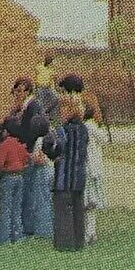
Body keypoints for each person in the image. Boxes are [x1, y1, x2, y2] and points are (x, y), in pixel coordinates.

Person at [5, 77, 54, 239]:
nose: (17, 95)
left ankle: (33, 227)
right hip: (28, 151)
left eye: (20, 91)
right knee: (30, 191)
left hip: (31, 151)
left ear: (27, 91)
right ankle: (30, 225)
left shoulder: (33, 107)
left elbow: (29, 131)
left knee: (32, 191)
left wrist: (11, 124)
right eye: (16, 91)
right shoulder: (24, 108)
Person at [42, 94, 90, 251]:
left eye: (62, 109)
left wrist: (50, 146)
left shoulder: (61, 131)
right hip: (79, 177)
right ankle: (78, 242)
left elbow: (52, 149)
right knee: (78, 212)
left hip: (63, 178)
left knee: (63, 212)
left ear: (69, 110)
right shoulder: (84, 129)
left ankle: (64, 244)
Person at [0, 121, 30, 244]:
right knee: (16, 207)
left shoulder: (4, 145)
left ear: (6, 132)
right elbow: (27, 159)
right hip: (20, 176)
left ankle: (5, 237)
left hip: (8, 177)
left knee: (5, 208)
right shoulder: (20, 145)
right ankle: (17, 235)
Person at [81, 103, 107, 244]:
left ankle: (89, 232)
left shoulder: (89, 126)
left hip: (90, 167)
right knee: (90, 202)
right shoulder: (89, 126)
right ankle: (90, 231)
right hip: (92, 167)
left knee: (89, 201)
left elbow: (104, 139)